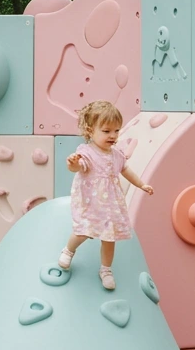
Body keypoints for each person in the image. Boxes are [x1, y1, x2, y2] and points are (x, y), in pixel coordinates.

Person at [58, 100, 154, 291]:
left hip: (110, 205)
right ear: (90, 130)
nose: (113, 135)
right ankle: (68, 250)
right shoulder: (86, 152)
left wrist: (141, 184)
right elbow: (78, 167)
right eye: (106, 131)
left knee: (109, 239)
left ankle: (106, 269)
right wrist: (72, 163)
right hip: (91, 203)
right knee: (83, 231)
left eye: (116, 131)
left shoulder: (117, 155)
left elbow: (126, 171)